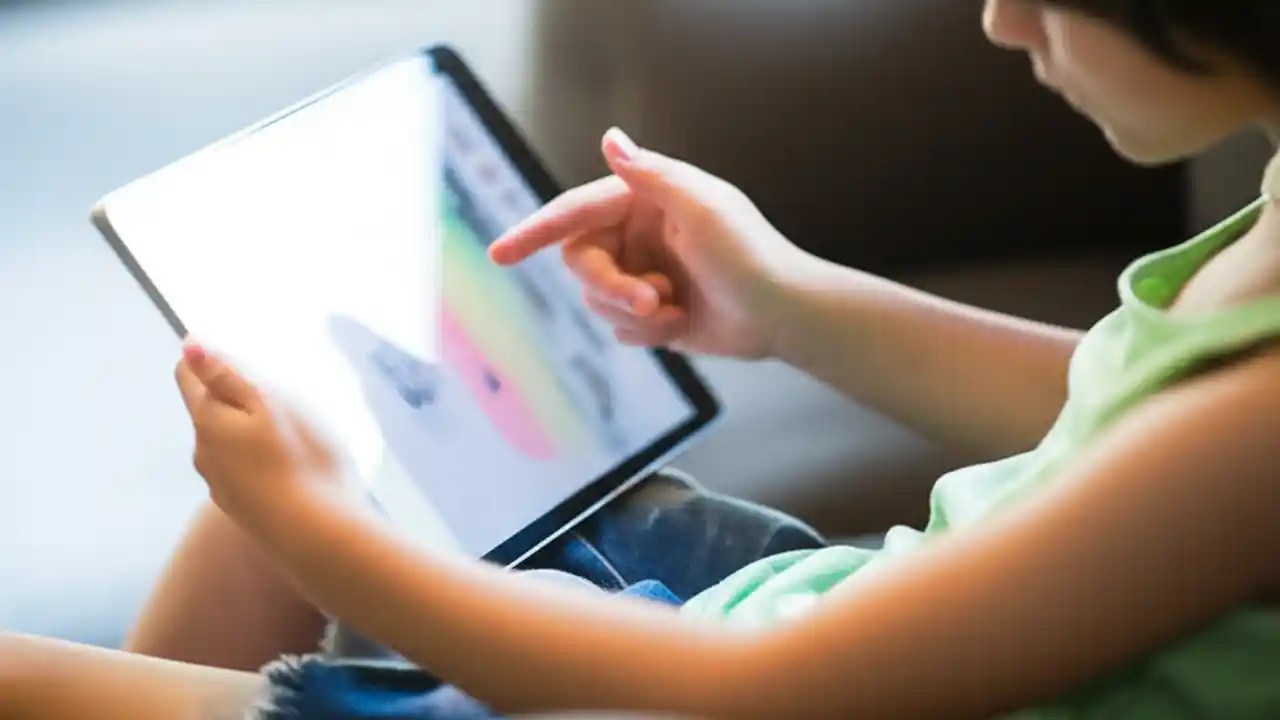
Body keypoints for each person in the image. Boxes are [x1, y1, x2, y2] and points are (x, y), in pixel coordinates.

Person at [6, 0, 1280, 717]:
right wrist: (789, 305)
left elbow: (773, 689)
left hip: (778, 685)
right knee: (304, 470)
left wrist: (331, 541)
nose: (998, 20)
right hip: (830, 617)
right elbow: (1129, 428)